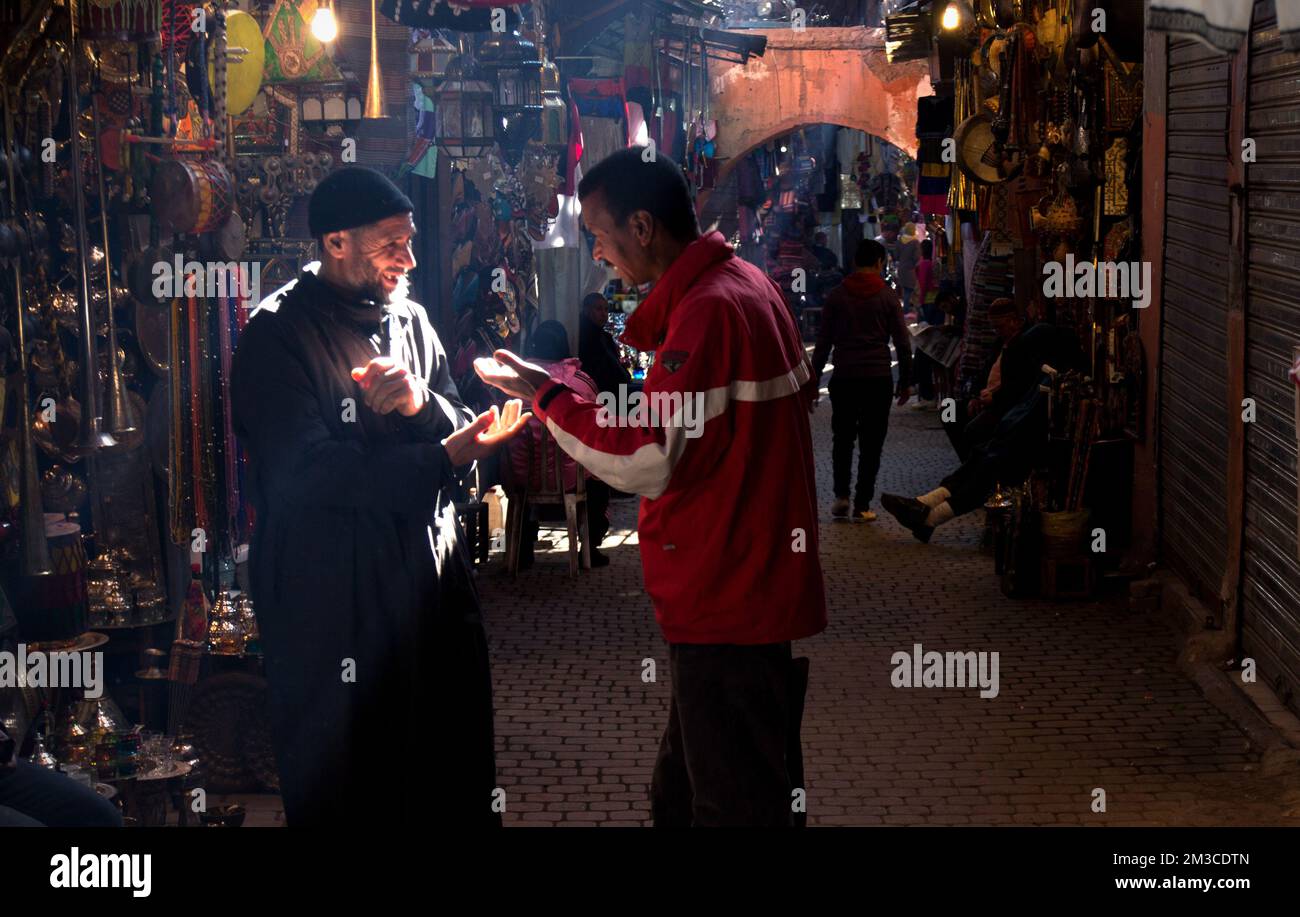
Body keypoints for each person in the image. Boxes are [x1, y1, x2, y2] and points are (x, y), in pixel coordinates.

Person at [475, 148, 826, 827]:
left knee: (733, 799)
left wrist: (547, 396)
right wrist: (553, 385)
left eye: (600, 238)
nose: (599, 256)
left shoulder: (709, 312)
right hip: (741, 589)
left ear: (642, 228)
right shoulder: (747, 286)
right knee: (697, 788)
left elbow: (650, 457)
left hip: (727, 594)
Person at [231, 167, 529, 827]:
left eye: (411, 239)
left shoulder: (413, 321)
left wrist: (426, 409)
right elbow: (308, 477)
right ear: (336, 242)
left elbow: (460, 427)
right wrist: (438, 455)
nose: (411, 258)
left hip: (430, 597)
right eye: (392, 241)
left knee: (444, 783)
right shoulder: (275, 335)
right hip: (333, 612)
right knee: (355, 793)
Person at [883, 321, 1084, 542]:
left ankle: (927, 515)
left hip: (1026, 450)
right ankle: (925, 506)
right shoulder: (1045, 373)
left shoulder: (1056, 377)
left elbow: (1032, 421)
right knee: (979, 458)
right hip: (1012, 440)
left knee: (986, 468)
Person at [807, 238, 912, 522]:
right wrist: (906, 381)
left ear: (855, 263)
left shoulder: (837, 296)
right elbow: (903, 342)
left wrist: (813, 382)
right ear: (880, 263)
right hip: (877, 379)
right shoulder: (888, 297)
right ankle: (862, 504)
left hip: (844, 377)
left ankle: (841, 496)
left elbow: (823, 342)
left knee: (842, 439)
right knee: (871, 443)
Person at [506, 320, 611, 568]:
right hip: (572, 478)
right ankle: (590, 547)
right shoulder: (581, 382)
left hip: (521, 477)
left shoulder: (512, 379)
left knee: (508, 464)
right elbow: (597, 421)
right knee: (599, 480)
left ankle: (521, 550)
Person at [578, 292, 632, 397]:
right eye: (598, 309)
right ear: (587, 311)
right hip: (605, 394)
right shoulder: (588, 337)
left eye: (606, 310)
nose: (603, 314)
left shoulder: (603, 336)